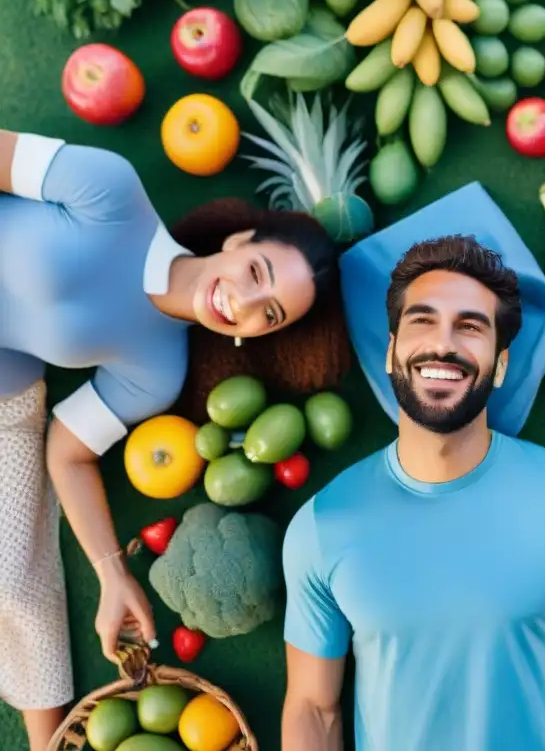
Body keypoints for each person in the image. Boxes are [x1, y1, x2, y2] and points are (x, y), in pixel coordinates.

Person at [0, 130, 344, 750]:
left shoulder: (157, 373)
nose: (242, 301)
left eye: (269, 314)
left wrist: (113, 577)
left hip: (7, 389)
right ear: (238, 241)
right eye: (256, 272)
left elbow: (68, 452)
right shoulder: (111, 188)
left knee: (16, 574)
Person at [280, 235, 545, 751]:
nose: (443, 344)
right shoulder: (320, 526)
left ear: (500, 365)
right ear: (391, 353)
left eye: (470, 327)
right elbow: (312, 708)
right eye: (422, 321)